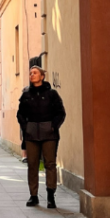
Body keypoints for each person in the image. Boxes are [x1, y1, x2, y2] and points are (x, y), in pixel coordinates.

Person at [17, 63, 66, 208]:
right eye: (30, 73)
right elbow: (20, 114)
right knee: (32, 164)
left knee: (50, 164)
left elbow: (61, 112)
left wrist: (53, 126)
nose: (32, 75)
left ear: (42, 76)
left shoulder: (52, 94)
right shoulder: (26, 94)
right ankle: (33, 195)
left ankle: (51, 195)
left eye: (35, 73)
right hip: (31, 134)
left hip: (49, 134)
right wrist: (26, 127)